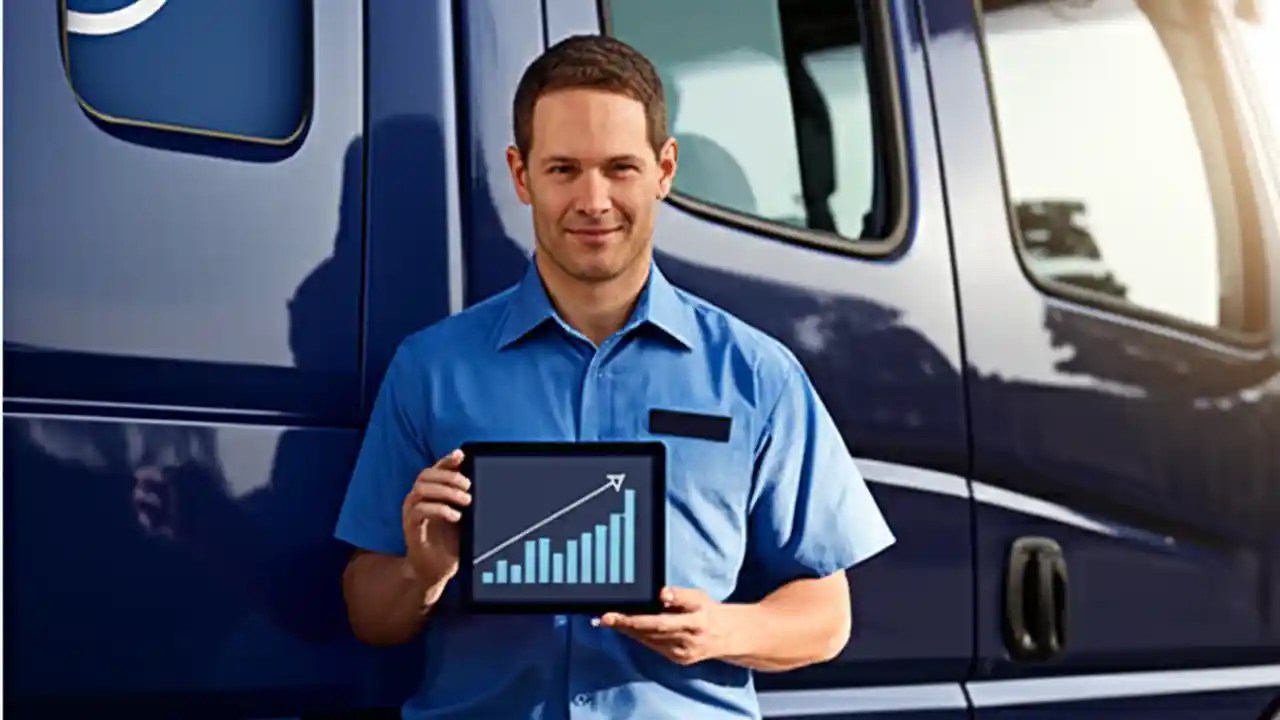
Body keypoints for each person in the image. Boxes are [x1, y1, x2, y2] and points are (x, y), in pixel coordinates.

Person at [334, 34, 896, 720]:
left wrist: (720, 630)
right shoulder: (431, 369)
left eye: (620, 168)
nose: (593, 199)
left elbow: (826, 615)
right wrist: (423, 574)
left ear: (664, 169)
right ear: (521, 174)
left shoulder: (756, 375)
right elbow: (368, 614)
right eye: (564, 169)